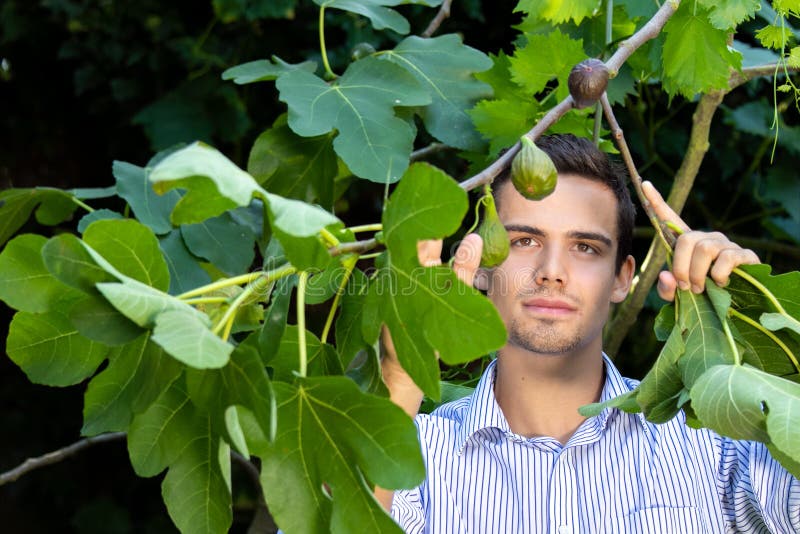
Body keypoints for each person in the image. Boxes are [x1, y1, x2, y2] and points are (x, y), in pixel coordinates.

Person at [375, 135, 799, 533]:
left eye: (585, 248)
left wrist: (755, 320)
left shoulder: (718, 444)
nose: (552, 272)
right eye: (524, 241)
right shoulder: (416, 455)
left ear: (621, 278)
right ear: (483, 266)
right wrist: (400, 381)